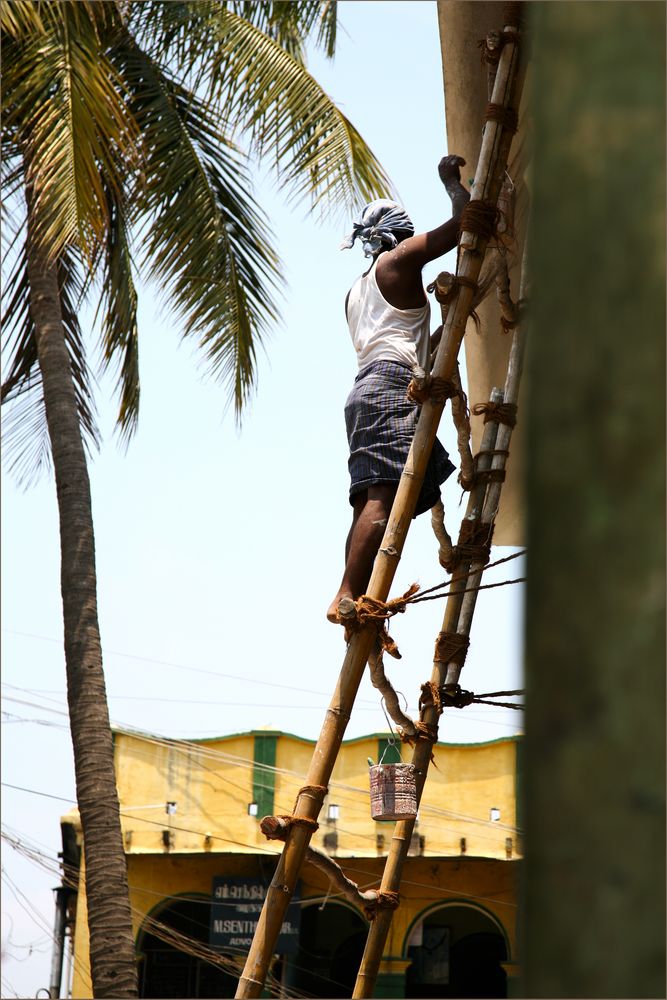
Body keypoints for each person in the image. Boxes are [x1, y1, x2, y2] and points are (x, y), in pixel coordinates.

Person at [326, 154, 470, 630]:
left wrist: (447, 328)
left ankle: (353, 593)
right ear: (395, 233)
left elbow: (402, 343)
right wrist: (451, 183)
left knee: (369, 499)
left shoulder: (358, 289)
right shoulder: (399, 260)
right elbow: (463, 225)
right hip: (389, 385)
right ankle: (348, 592)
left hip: (364, 388)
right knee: (383, 500)